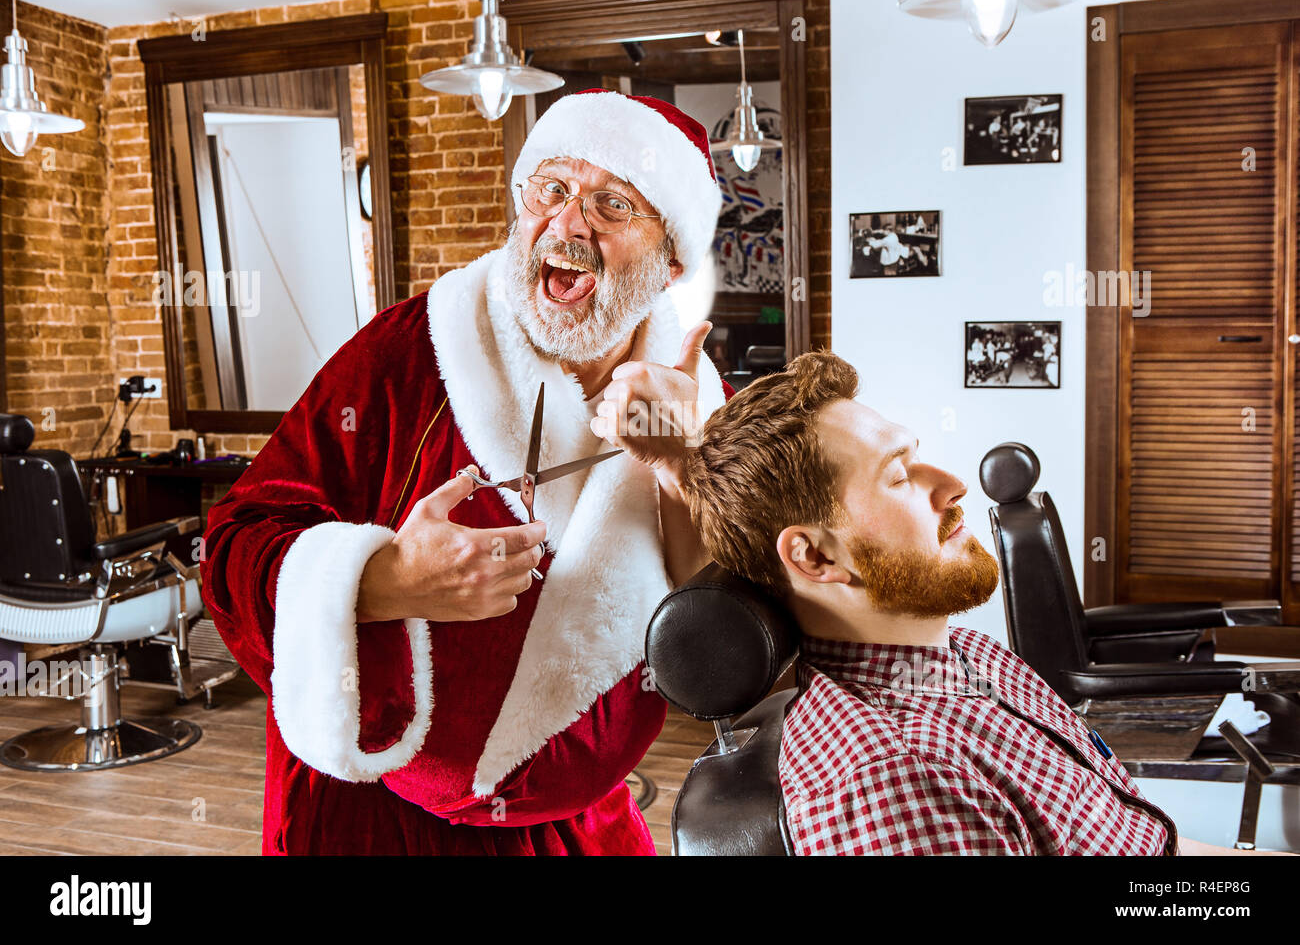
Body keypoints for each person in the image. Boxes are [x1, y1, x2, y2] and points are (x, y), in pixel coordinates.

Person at [200, 88, 732, 855]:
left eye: (613, 204)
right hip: (372, 822)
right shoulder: (409, 352)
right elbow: (232, 546)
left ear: (672, 257)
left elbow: (741, 618)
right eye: (551, 189)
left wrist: (686, 465)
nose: (568, 222)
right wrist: (381, 581)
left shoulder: (700, 404)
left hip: (578, 828)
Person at [681, 349, 1267, 855]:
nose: (953, 483)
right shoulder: (896, 784)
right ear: (816, 558)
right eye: (899, 475)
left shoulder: (970, 654)